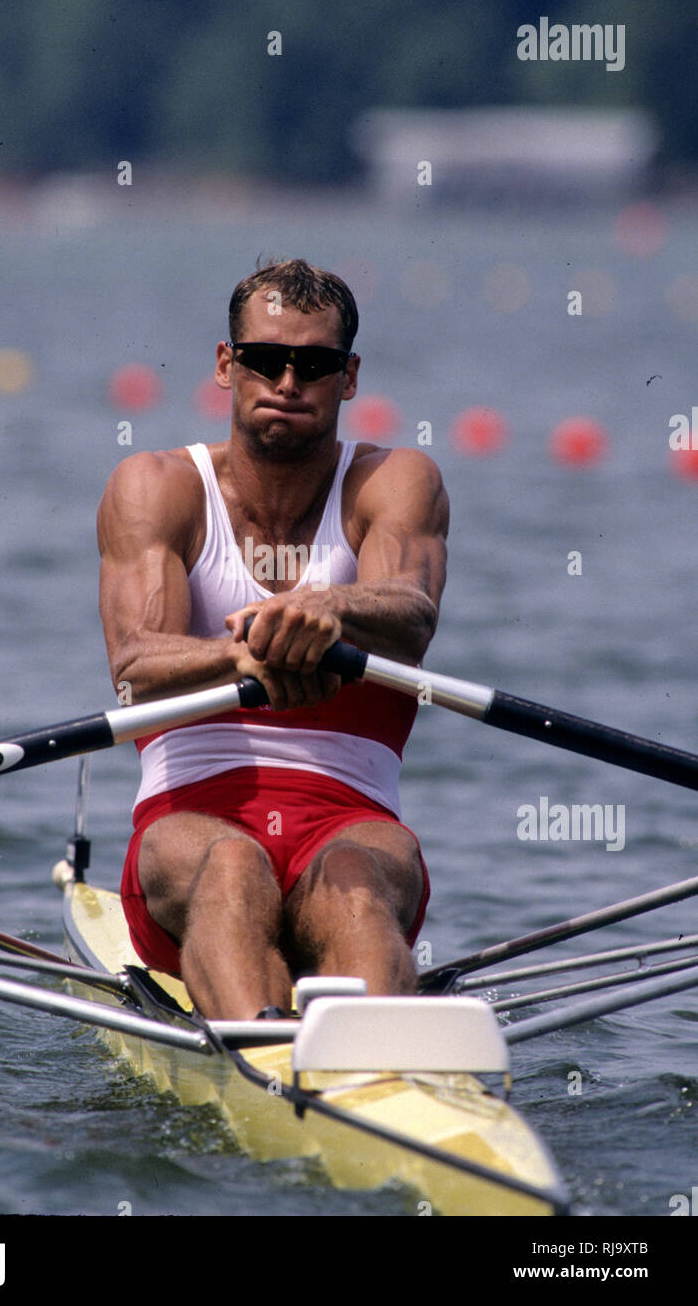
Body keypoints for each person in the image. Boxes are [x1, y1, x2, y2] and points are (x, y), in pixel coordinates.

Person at [97, 258, 448, 1020]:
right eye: (264, 358)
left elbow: (413, 615)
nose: (287, 382)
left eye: (313, 364)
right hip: (191, 822)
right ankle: (273, 1072)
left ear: (348, 378)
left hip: (349, 820)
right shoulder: (158, 487)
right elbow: (134, 666)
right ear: (227, 364)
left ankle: (372, 1078)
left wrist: (328, 608)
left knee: (358, 888)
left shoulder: (395, 480)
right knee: (232, 872)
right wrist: (245, 656)